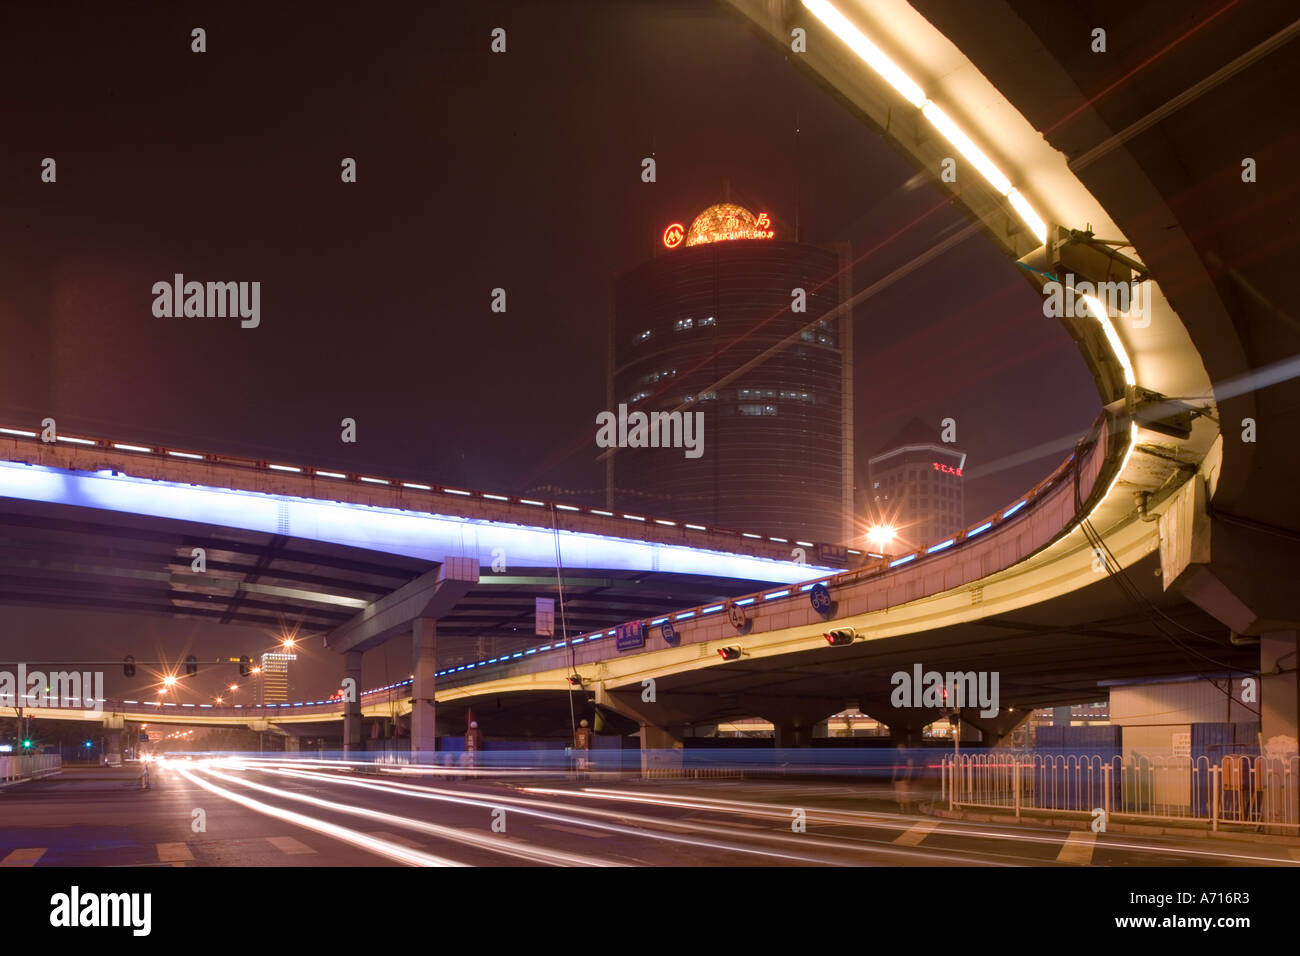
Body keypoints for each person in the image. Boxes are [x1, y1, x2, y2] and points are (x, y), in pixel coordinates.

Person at [892, 743, 915, 812]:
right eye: (898, 749)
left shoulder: (908, 756)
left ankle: (908, 808)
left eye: (900, 748)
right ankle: (902, 808)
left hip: (903, 778)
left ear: (903, 748)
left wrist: (908, 778)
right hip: (897, 778)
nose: (899, 750)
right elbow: (895, 768)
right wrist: (893, 778)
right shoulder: (898, 756)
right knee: (899, 794)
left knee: (905, 794)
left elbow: (910, 768)